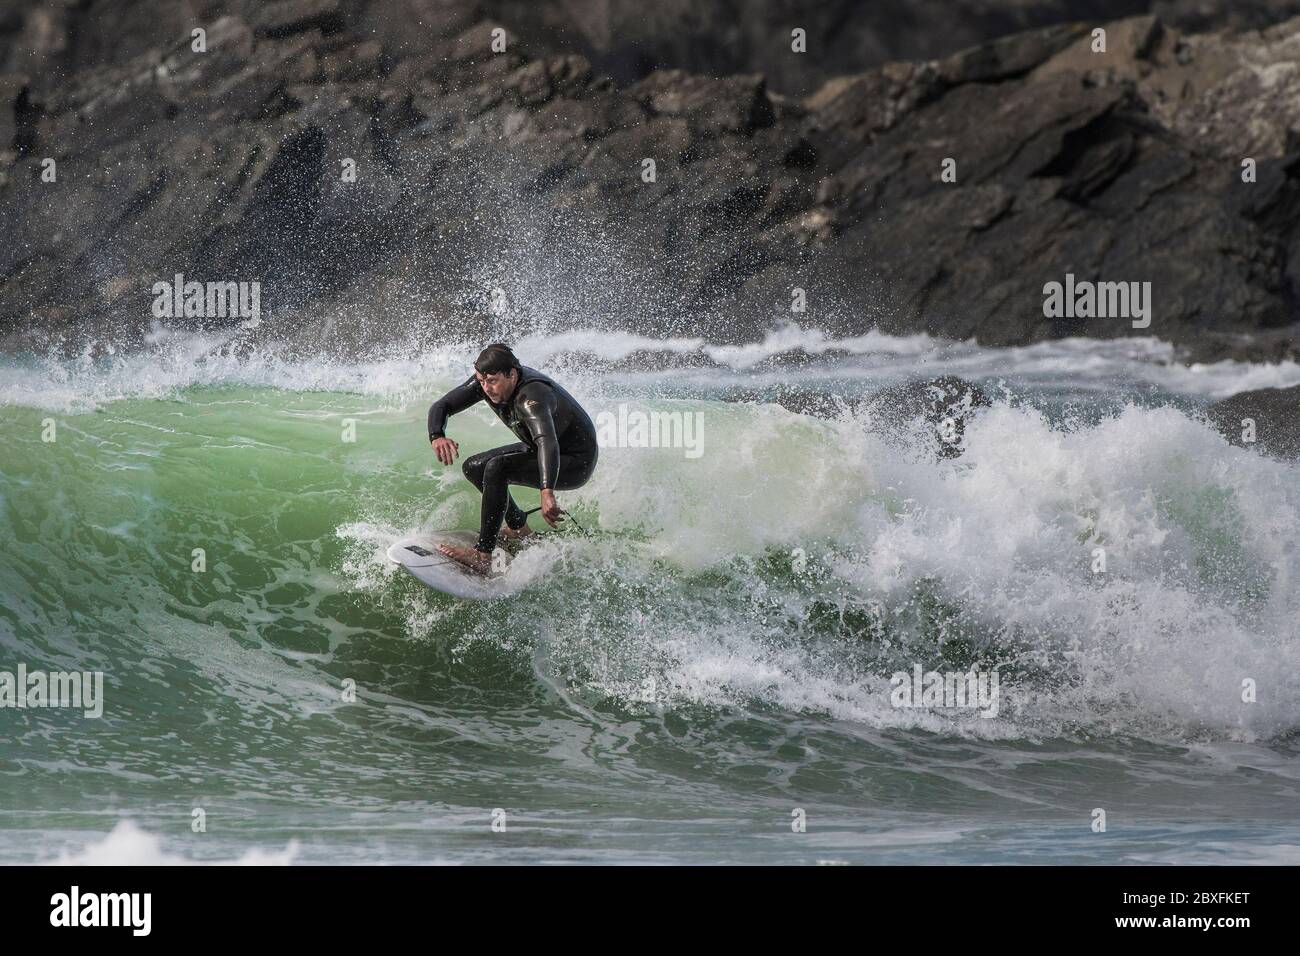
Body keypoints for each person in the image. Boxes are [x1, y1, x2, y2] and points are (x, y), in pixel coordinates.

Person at [427, 344, 598, 574]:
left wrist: (546, 491)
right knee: (475, 467)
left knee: (497, 468)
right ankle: (519, 529)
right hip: (539, 447)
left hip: (574, 462)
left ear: (512, 374)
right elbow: (443, 405)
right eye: (481, 380)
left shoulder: (531, 398)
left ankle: (482, 555)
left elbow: (548, 441)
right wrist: (437, 435)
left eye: (492, 381)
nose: (486, 388)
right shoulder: (486, 382)